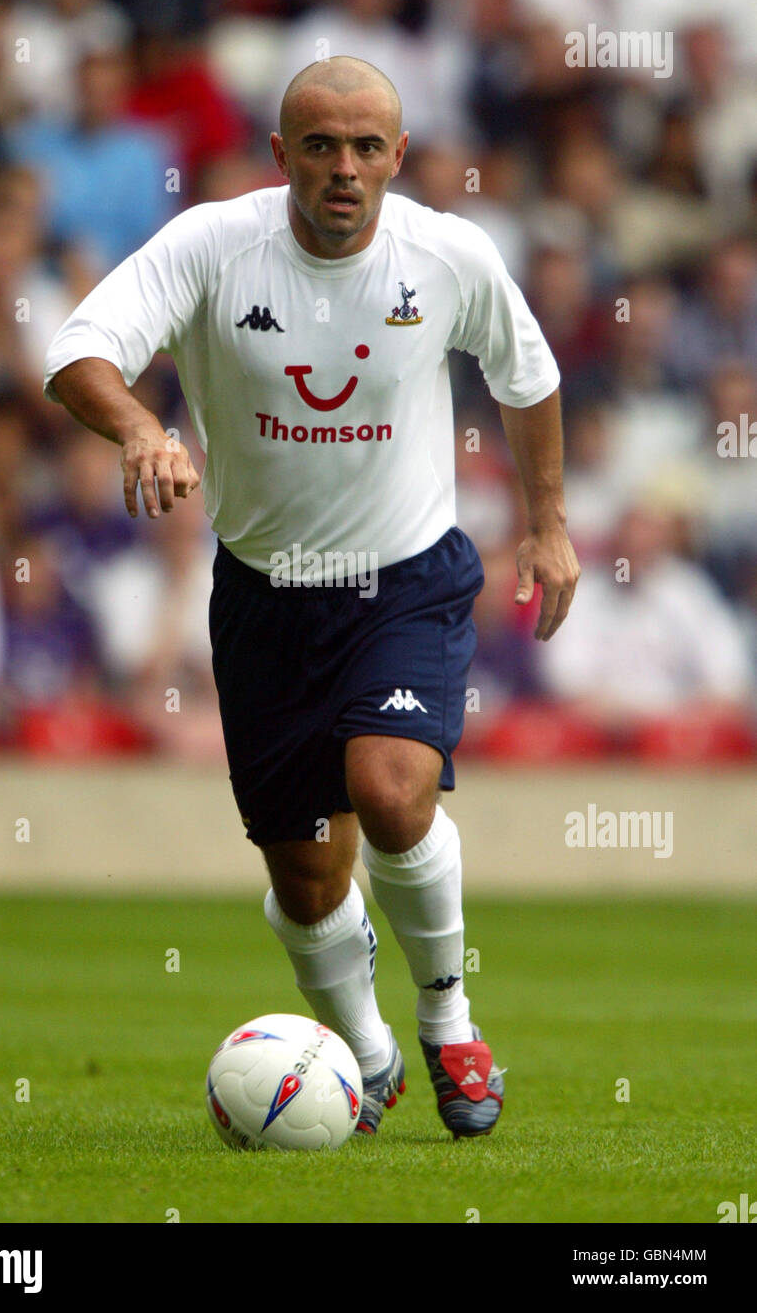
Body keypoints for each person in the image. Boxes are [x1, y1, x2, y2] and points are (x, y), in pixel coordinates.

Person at [43, 56, 579, 1139]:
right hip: (265, 593)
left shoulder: (447, 255)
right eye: (320, 146)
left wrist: (549, 524)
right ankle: (365, 1055)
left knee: (389, 791)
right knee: (302, 866)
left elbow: (527, 378)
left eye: (365, 147)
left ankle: (448, 1023)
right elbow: (76, 352)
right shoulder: (212, 245)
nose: (343, 169)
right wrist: (145, 429)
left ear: (397, 157)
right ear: (280, 154)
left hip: (406, 580)